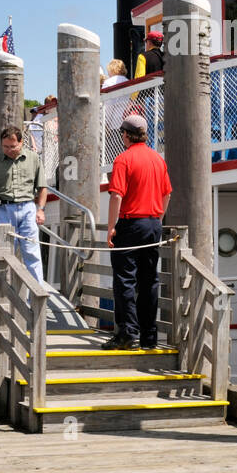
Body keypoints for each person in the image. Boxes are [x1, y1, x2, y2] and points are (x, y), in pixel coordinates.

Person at [103, 114, 172, 351]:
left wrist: (111, 227)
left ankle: (127, 333)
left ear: (125, 134)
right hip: (153, 223)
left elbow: (116, 195)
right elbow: (167, 194)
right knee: (149, 280)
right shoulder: (157, 159)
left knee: (125, 280)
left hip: (131, 223)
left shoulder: (124, 159)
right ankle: (149, 337)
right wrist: (157, 220)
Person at [0, 126, 48, 283]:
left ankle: (37, 299)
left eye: (13, 146)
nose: (9, 150)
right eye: (5, 146)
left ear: (21, 142)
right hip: (3, 210)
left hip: (28, 209)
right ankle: (5, 297)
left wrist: (41, 210)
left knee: (32, 254)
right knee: (3, 255)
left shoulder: (34, 158)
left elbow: (42, 187)